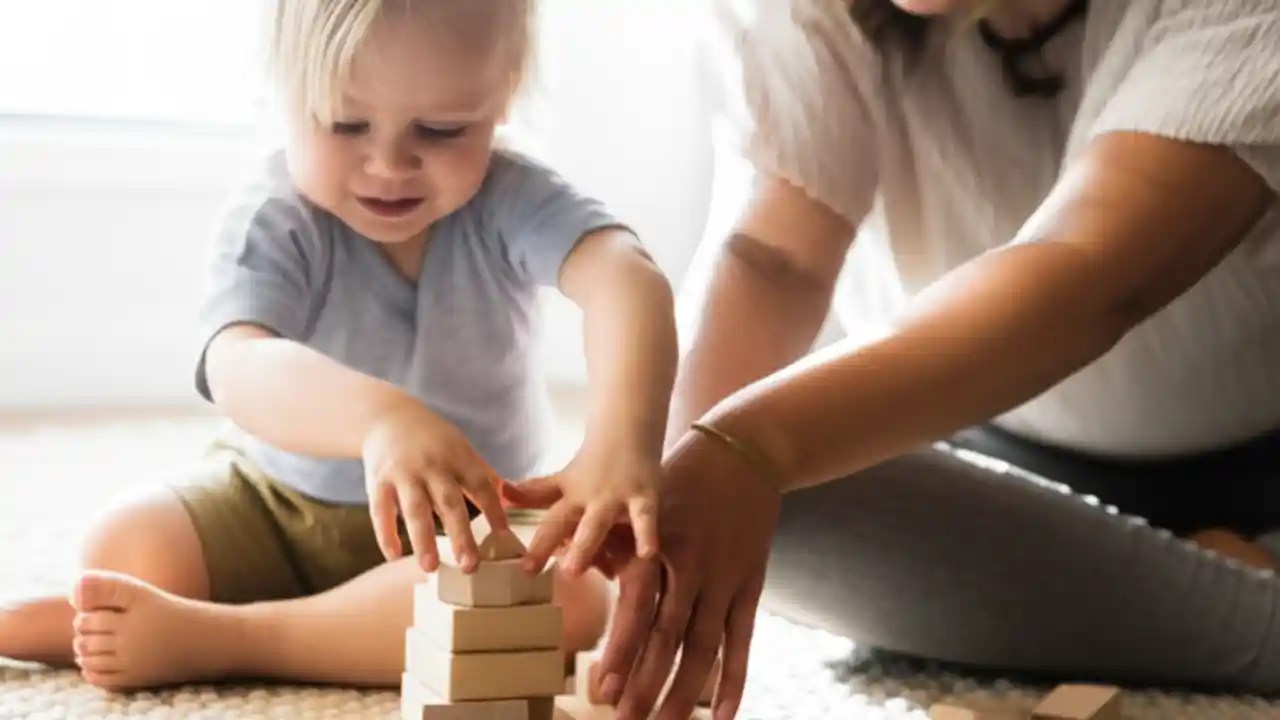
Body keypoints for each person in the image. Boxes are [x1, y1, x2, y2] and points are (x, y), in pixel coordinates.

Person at [543, 1, 1280, 718]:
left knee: (752, 451)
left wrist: (751, 444)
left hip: (1257, 470)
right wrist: (670, 515)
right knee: (739, 496)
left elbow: (1087, 275)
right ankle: (1202, 591)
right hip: (995, 478)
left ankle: (1242, 624)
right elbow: (773, 260)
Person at [0, 0, 676, 691]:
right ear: (285, 98)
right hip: (277, 505)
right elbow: (238, 364)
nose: (389, 164)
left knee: (574, 597)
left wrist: (622, 443)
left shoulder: (514, 201)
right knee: (123, 545)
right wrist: (379, 421)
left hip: (464, 529)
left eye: (441, 130)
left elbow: (626, 278)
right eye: (345, 124)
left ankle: (226, 636)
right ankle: (280, 623)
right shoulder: (278, 218)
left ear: (503, 94)